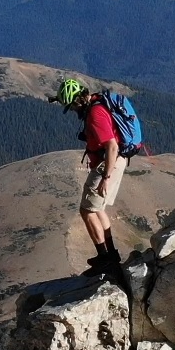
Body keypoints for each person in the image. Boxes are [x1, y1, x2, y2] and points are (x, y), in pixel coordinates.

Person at [52, 78, 127, 273]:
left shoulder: (95, 114)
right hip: (110, 162)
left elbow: (111, 145)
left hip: (108, 164)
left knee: (86, 210)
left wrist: (105, 177)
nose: (74, 111)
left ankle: (105, 258)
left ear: (78, 100)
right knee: (98, 207)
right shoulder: (96, 105)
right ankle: (111, 254)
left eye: (73, 106)